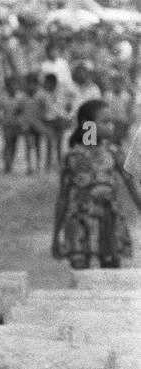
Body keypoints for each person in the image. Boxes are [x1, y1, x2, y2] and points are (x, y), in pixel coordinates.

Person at [53, 99, 141, 270]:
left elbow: (132, 188)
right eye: (105, 122)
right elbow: (62, 197)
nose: (111, 126)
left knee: (110, 276)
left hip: (110, 221)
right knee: (80, 272)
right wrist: (56, 236)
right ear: (87, 124)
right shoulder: (72, 157)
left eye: (111, 122)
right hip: (79, 223)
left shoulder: (114, 153)